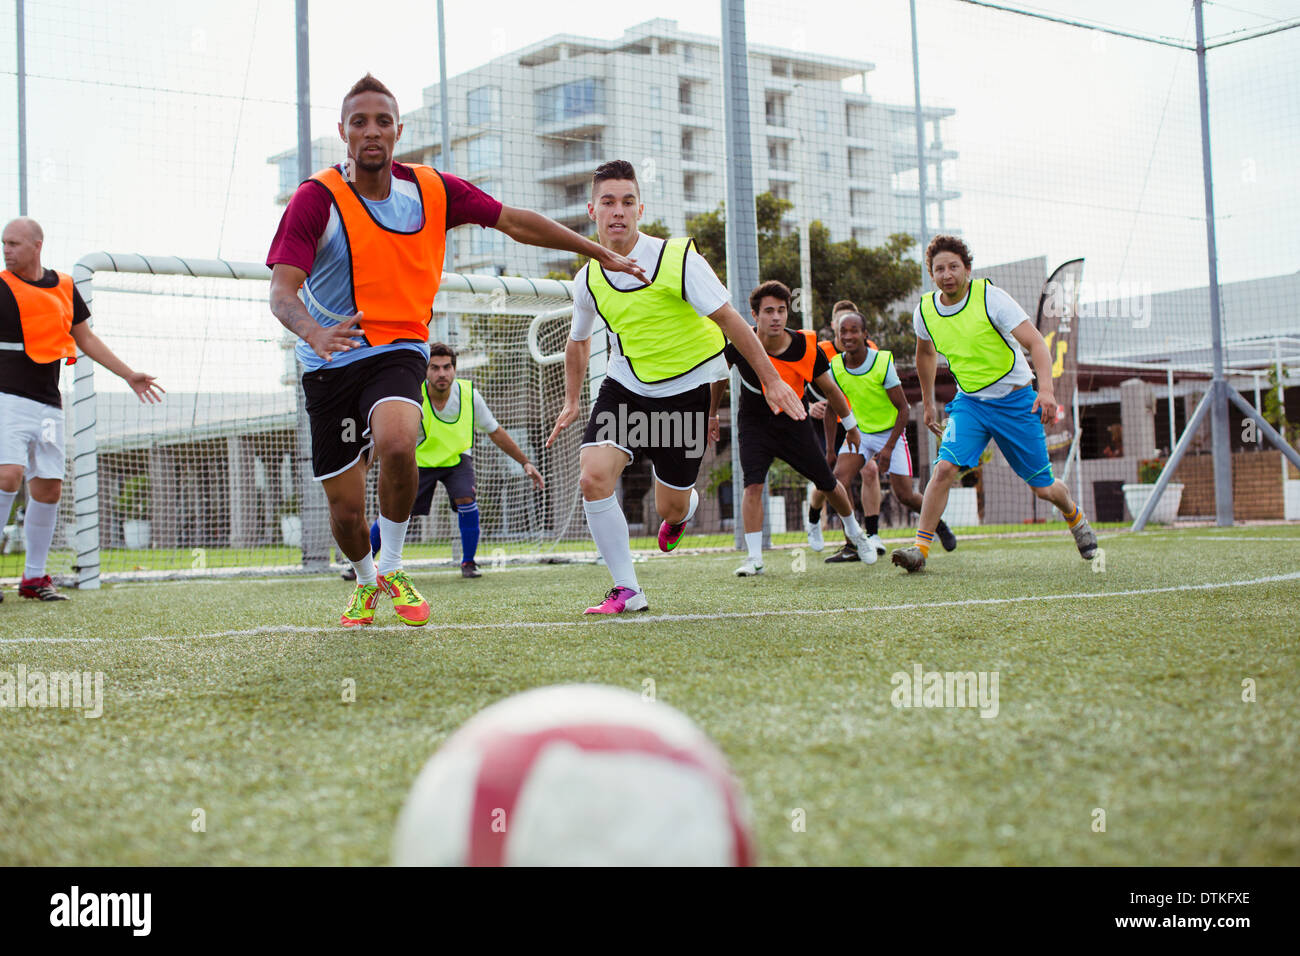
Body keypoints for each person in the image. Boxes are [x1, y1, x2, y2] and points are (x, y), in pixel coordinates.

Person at [268, 76, 645, 628]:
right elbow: (282, 290)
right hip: (329, 360)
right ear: (343, 133)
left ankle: (393, 568)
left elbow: (514, 221)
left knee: (399, 441)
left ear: (399, 130)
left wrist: (597, 252)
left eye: (381, 121)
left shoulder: (432, 189)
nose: (371, 132)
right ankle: (367, 581)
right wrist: (312, 331)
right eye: (359, 122)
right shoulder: (316, 198)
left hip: (397, 348)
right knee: (346, 512)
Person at [547, 160, 804, 615]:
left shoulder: (678, 259)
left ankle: (684, 510)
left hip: (685, 390)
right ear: (592, 210)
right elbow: (578, 341)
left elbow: (731, 321)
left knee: (669, 507)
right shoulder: (588, 278)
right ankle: (627, 588)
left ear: (640, 208)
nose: (618, 211)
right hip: (626, 385)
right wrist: (571, 400)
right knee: (593, 476)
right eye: (608, 202)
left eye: (627, 201)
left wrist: (771, 380)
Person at [891, 235, 1097, 572]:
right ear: (932, 274)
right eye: (939, 268)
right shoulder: (925, 311)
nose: (947, 274)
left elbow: (1037, 343)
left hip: (1015, 401)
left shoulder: (992, 298)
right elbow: (925, 354)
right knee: (944, 468)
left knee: (1043, 488)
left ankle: (1075, 518)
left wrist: (1045, 391)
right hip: (970, 403)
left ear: (967, 269)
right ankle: (920, 551)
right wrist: (928, 403)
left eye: (954, 267)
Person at [0, 217, 163, 602]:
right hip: (5, 398)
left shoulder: (64, 287)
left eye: (14, 244)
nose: (6, 250)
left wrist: (128, 375)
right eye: (3, 243)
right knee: (8, 476)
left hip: (48, 405)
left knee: (50, 488)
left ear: (37, 245)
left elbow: (85, 337)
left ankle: (34, 579)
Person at [708, 280, 871, 575]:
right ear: (754, 315)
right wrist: (712, 415)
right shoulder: (740, 343)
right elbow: (718, 377)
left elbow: (832, 391)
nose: (776, 317)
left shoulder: (806, 347)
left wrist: (851, 426)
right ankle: (754, 558)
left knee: (827, 481)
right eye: (768, 311)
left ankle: (856, 534)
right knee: (752, 483)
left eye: (781, 310)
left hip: (794, 421)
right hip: (754, 422)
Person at [359, 343, 544, 580]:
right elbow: (388, 435)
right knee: (396, 507)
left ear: (455, 369)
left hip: (457, 460)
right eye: (434, 368)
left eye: (447, 367)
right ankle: (363, 563)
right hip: (421, 461)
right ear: (425, 371)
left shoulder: (469, 395)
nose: (442, 373)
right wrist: (365, 465)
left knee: (466, 496)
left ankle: (468, 562)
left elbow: (494, 430)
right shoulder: (413, 396)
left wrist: (525, 462)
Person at [821, 310, 957, 560]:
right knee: (838, 481)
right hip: (860, 433)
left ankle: (938, 524)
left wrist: (888, 447)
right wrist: (830, 449)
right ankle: (852, 544)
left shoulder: (882, 362)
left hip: (890, 433)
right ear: (837, 337)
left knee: (904, 495)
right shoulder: (836, 366)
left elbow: (903, 409)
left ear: (865, 334)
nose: (848, 336)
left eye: (854, 330)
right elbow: (831, 410)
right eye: (843, 332)